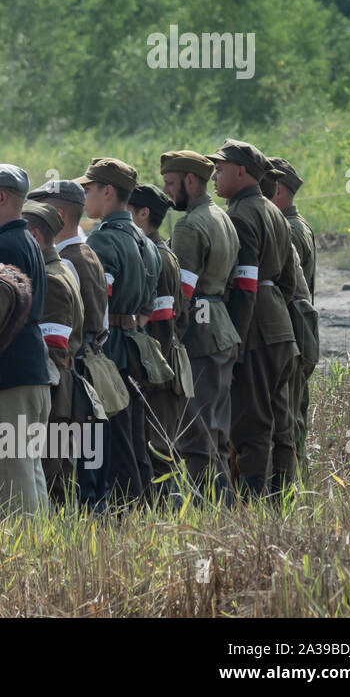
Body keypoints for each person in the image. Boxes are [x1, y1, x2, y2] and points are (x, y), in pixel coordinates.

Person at [206, 140, 298, 498]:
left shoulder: (240, 215)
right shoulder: (275, 212)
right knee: (281, 422)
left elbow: (244, 284)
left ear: (241, 171)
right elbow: (289, 280)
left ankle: (254, 503)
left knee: (251, 424)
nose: (215, 176)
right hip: (278, 324)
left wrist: (237, 340)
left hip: (255, 330)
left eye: (220, 169)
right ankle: (283, 497)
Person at [159, 151, 243, 502]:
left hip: (200, 334)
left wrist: (167, 339)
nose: (166, 192)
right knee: (217, 429)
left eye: (170, 183)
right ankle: (220, 502)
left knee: (196, 430)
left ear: (189, 182)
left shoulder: (190, 225)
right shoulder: (221, 217)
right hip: (222, 328)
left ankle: (204, 507)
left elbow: (183, 293)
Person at [0, 164, 52, 515]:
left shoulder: (4, 245)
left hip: (13, 374)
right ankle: (42, 551)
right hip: (32, 368)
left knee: (10, 478)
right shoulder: (25, 240)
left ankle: (26, 563)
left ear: (2, 197)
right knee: (29, 470)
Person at [78, 158, 159, 508]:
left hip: (110, 349)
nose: (84, 197)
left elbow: (99, 304)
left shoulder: (103, 241)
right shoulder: (147, 242)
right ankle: (143, 507)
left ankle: (125, 511)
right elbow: (149, 306)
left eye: (88, 189)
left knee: (114, 437)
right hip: (137, 345)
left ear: (108, 191)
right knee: (136, 436)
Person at [28, 178, 112, 508]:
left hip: (73, 366)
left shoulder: (65, 264)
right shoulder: (88, 253)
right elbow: (102, 322)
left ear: (58, 215)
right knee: (86, 458)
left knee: (66, 459)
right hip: (93, 361)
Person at [128, 183, 188, 503]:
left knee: (159, 447)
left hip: (161, 371)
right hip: (163, 366)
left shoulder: (158, 258)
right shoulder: (159, 252)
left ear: (143, 214)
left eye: (129, 211)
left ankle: (167, 514)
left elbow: (164, 322)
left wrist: (154, 374)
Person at [22, 201, 84, 503]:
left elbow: (55, 347)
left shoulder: (51, 279)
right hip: (62, 379)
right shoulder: (61, 268)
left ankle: (57, 532)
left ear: (34, 236)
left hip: (56, 384)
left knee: (53, 465)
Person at [266, 157, 319, 472]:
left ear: (279, 191)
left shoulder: (290, 230)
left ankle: (291, 485)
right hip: (299, 331)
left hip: (293, 332)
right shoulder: (298, 225)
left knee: (287, 418)